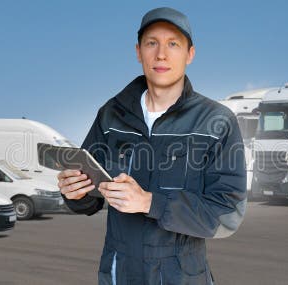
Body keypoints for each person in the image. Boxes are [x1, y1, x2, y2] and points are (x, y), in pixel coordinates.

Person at [57, 7, 246, 285]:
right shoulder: (111, 115)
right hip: (118, 273)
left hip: (182, 276)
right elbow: (91, 196)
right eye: (151, 43)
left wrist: (150, 202)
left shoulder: (216, 122)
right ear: (138, 52)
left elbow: (228, 213)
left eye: (173, 44)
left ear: (190, 54)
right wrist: (76, 194)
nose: (161, 54)